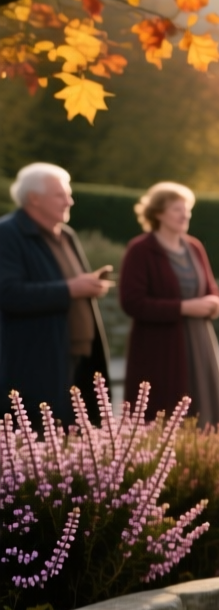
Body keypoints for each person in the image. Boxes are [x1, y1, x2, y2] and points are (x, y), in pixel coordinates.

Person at [0, 163, 112, 424]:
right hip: (37, 360)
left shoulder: (67, 235)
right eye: (60, 195)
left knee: (79, 441)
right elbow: (7, 293)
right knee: (42, 443)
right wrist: (71, 288)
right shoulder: (7, 234)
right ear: (34, 198)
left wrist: (89, 286)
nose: (69, 200)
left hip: (80, 355)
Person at [119, 182, 219, 428]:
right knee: (165, 412)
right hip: (159, 348)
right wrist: (183, 308)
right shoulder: (140, 250)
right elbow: (132, 303)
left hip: (200, 341)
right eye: (177, 209)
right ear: (157, 213)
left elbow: (210, 288)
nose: (185, 214)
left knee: (204, 410)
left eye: (187, 209)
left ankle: (206, 457)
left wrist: (214, 302)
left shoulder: (194, 246)